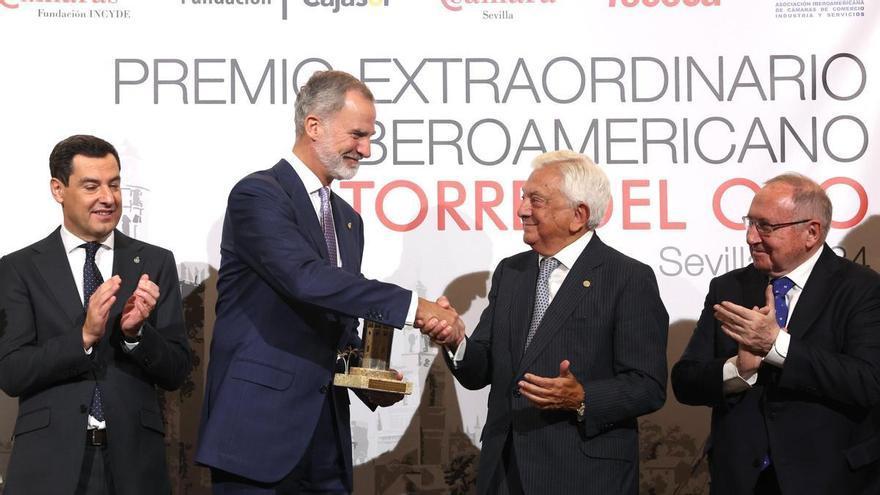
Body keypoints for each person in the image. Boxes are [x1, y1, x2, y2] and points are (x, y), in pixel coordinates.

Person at [195, 70, 460, 494]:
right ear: (313, 125)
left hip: (327, 438)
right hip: (257, 433)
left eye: (370, 137)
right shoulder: (258, 194)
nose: (367, 149)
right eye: (357, 134)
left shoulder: (348, 221)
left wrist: (369, 380)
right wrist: (415, 307)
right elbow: (305, 279)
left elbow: (338, 319)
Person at [425, 150, 669, 494]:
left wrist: (582, 396)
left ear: (577, 215)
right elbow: (481, 370)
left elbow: (648, 386)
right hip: (505, 472)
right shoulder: (512, 271)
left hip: (583, 476)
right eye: (524, 197)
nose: (522, 209)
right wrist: (456, 341)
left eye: (535, 200)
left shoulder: (627, 278)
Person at [0, 134, 192, 494]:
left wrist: (136, 336)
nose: (108, 198)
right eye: (92, 186)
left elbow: (177, 371)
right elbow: (11, 373)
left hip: (135, 463)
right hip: (47, 465)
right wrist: (83, 337)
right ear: (59, 189)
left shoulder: (154, 262)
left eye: (114, 184)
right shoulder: (19, 268)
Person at [671, 173, 880, 494]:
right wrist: (738, 370)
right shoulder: (728, 287)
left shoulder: (862, 289)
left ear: (811, 232)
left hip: (829, 479)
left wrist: (777, 346)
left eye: (766, 226)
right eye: (749, 223)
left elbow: (868, 383)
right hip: (740, 480)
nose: (751, 237)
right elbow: (686, 382)